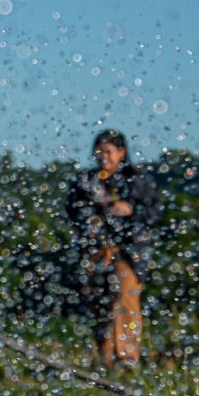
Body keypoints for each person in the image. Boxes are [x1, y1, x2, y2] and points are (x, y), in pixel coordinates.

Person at [64, 129, 162, 368]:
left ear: (121, 153)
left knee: (125, 297)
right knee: (100, 302)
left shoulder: (135, 180)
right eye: (99, 151)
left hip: (128, 250)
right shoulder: (87, 182)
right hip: (96, 249)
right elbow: (72, 212)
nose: (103, 156)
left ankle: (127, 357)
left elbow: (155, 212)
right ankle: (106, 359)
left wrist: (130, 210)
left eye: (108, 151)